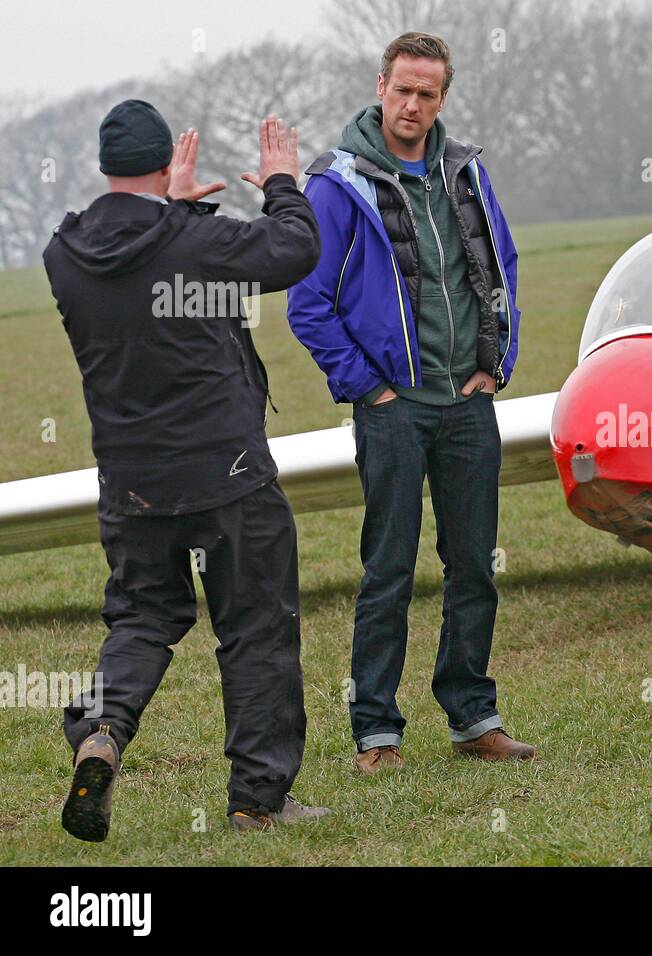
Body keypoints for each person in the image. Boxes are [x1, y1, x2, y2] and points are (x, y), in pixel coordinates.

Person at [43, 100, 328, 839]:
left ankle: (103, 729)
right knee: (257, 628)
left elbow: (142, 267)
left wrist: (175, 215)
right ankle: (256, 801)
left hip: (131, 482)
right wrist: (281, 181)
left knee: (141, 618)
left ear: (106, 169)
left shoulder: (64, 254)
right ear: (168, 163)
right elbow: (295, 248)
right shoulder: (196, 244)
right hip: (227, 474)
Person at [286, 32, 531, 772]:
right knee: (387, 569)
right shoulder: (335, 183)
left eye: (427, 94)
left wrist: (496, 363)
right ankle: (377, 732)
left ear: (443, 98)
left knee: (475, 566)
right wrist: (370, 387)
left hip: (468, 404)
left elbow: (502, 270)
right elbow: (308, 302)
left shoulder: (467, 173)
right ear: (380, 86)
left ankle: (473, 716)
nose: (412, 106)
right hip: (393, 408)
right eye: (402, 90)